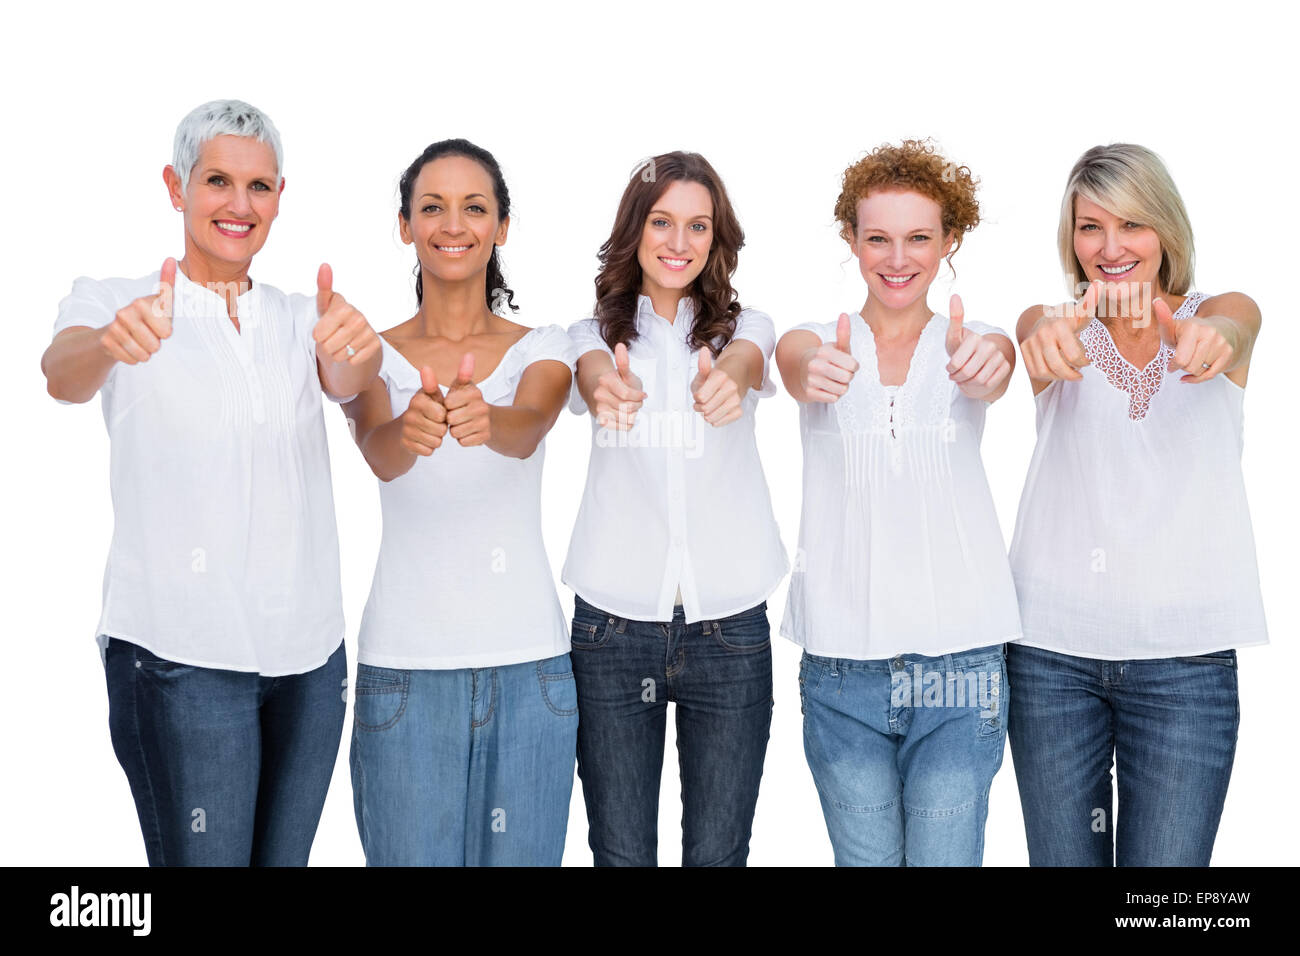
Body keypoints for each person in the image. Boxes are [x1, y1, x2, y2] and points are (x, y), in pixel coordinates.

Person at [40, 99, 381, 865]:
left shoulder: (302, 317)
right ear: (176, 185)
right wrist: (108, 342)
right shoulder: (115, 299)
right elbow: (61, 376)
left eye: (259, 186)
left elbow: (349, 378)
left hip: (308, 657)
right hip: (180, 656)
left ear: (280, 197)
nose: (239, 204)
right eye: (218, 180)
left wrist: (352, 349)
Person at [1007, 143, 1267, 867]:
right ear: (1072, 239)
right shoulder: (1052, 326)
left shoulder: (1219, 315)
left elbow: (1239, 324)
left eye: (1133, 225)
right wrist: (1045, 336)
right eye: (1091, 227)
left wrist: (1217, 338)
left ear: (1165, 231)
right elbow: (1034, 334)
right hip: (1050, 656)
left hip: (1185, 663)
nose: (1112, 247)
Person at [774, 139, 1020, 866]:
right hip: (843, 667)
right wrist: (809, 369)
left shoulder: (977, 343)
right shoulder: (813, 342)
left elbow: (996, 371)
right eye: (877, 237)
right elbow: (791, 365)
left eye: (919, 238)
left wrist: (989, 364)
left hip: (961, 660)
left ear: (950, 242)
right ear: (851, 239)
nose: (897, 257)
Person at [343, 139, 578, 866]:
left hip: (531, 670)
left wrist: (487, 420)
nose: (453, 223)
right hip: (404, 672)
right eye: (432, 206)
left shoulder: (545, 344)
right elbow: (377, 451)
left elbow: (530, 423)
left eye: (475, 207)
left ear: (502, 226)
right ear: (406, 225)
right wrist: (407, 431)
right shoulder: (367, 351)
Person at [565, 151, 788, 866]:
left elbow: (750, 360)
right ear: (634, 229)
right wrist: (606, 386)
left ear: (716, 238)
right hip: (611, 631)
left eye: (698, 225)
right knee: (621, 853)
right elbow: (591, 371)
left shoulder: (747, 328)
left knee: (720, 854)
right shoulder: (587, 336)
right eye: (662, 221)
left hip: (731, 632)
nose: (678, 242)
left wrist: (728, 376)